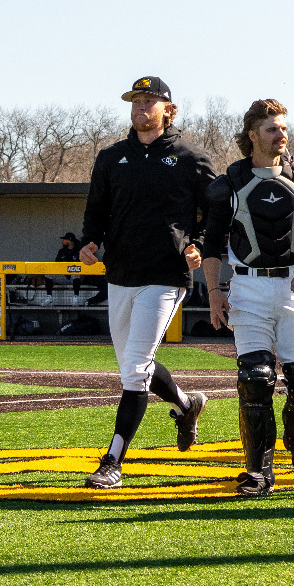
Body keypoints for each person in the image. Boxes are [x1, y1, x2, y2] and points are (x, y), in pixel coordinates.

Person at [78, 76, 214, 490]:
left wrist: (200, 244)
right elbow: (97, 208)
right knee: (134, 366)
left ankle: (113, 462)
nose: (140, 107)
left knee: (134, 370)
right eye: (136, 100)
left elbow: (215, 210)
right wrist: (90, 241)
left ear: (168, 110)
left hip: (165, 276)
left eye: (149, 100)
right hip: (119, 274)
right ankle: (185, 404)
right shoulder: (111, 157)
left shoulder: (191, 157)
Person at [201, 99, 294, 495]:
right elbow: (211, 245)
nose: (282, 134)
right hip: (249, 286)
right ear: (252, 134)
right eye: (272, 128)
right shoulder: (229, 183)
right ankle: (258, 471)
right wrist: (213, 293)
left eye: (284, 127)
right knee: (254, 379)